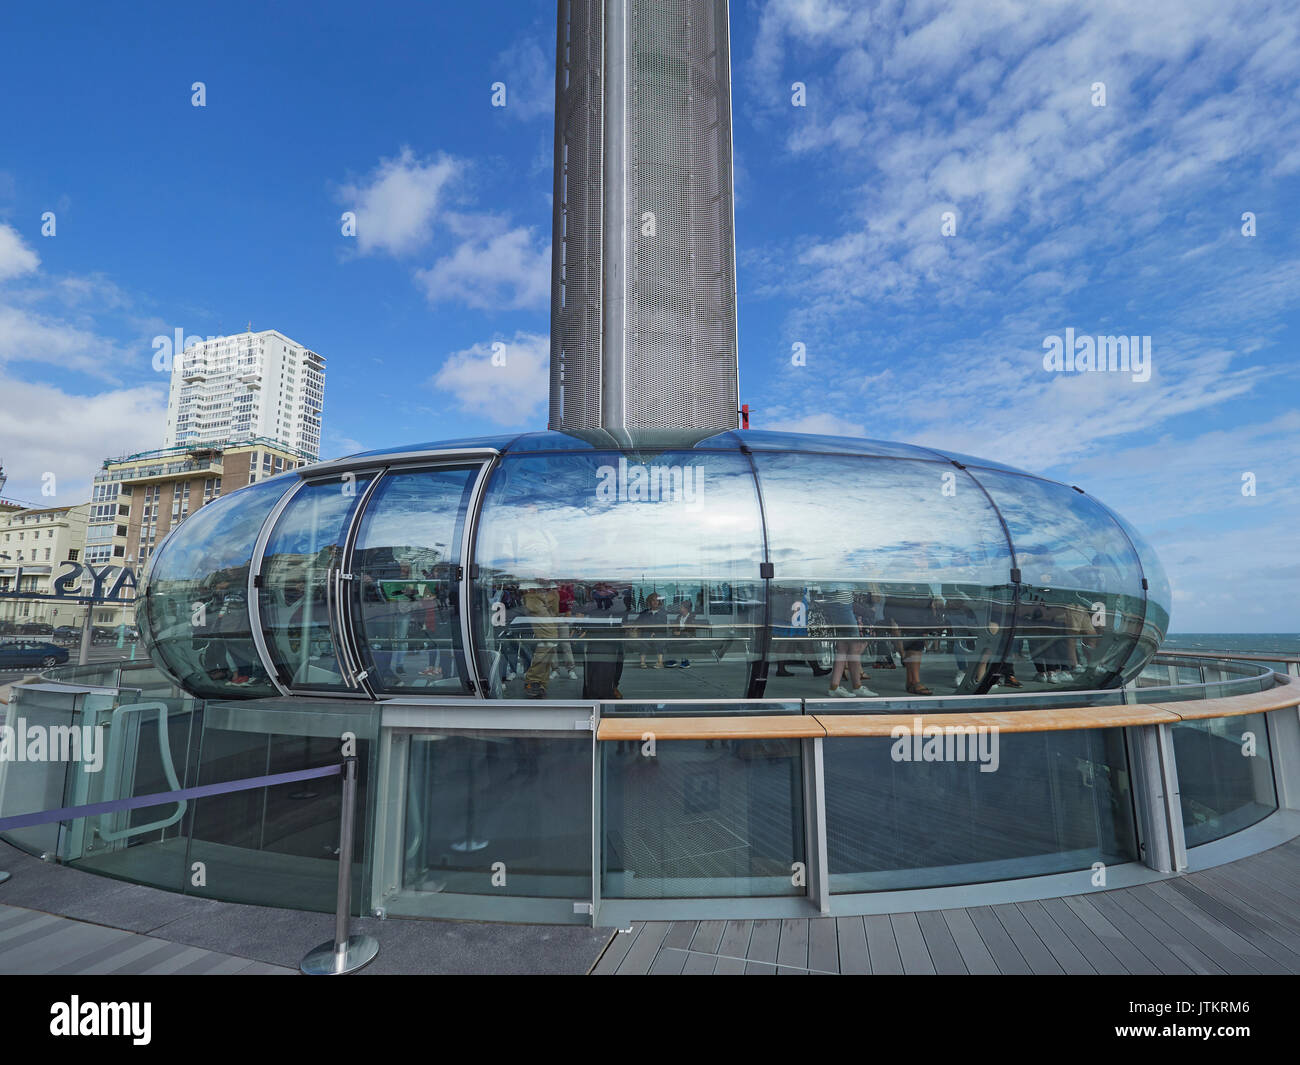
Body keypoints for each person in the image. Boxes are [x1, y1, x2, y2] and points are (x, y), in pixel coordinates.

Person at [822, 584, 876, 696]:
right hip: (842, 604)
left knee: (843, 648)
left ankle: (835, 686)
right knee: (854, 648)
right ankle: (856, 686)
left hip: (840, 604)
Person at [631, 592, 667, 669]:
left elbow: (663, 625)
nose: (655, 602)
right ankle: (642, 662)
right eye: (653, 600)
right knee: (644, 640)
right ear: (650, 602)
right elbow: (637, 622)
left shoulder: (663, 613)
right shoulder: (645, 613)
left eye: (657, 600)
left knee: (659, 640)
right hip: (647, 633)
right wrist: (634, 628)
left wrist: (654, 632)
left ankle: (660, 662)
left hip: (659, 633)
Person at [664, 598, 698, 668]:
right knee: (670, 640)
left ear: (686, 608)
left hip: (688, 636)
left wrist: (680, 632)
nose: (680, 608)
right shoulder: (679, 617)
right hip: (679, 635)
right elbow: (675, 627)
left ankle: (685, 661)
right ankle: (672, 660)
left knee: (681, 640)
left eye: (681, 607)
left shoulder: (691, 617)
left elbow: (691, 629)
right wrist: (675, 631)